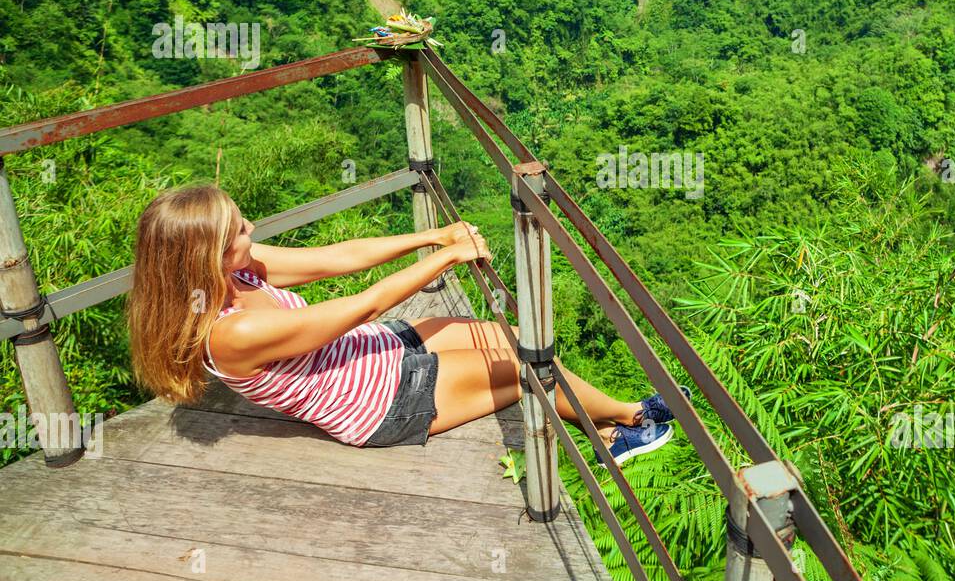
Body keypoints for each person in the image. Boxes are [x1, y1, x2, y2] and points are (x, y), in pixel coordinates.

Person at [125, 184, 689, 466]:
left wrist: (431, 237)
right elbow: (363, 306)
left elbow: (336, 257)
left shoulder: (237, 272)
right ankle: (628, 422)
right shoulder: (231, 334)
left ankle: (611, 423)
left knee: (497, 336)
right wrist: (445, 259)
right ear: (205, 257)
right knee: (519, 367)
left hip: (365, 354)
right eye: (239, 230)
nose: (252, 229)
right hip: (374, 402)